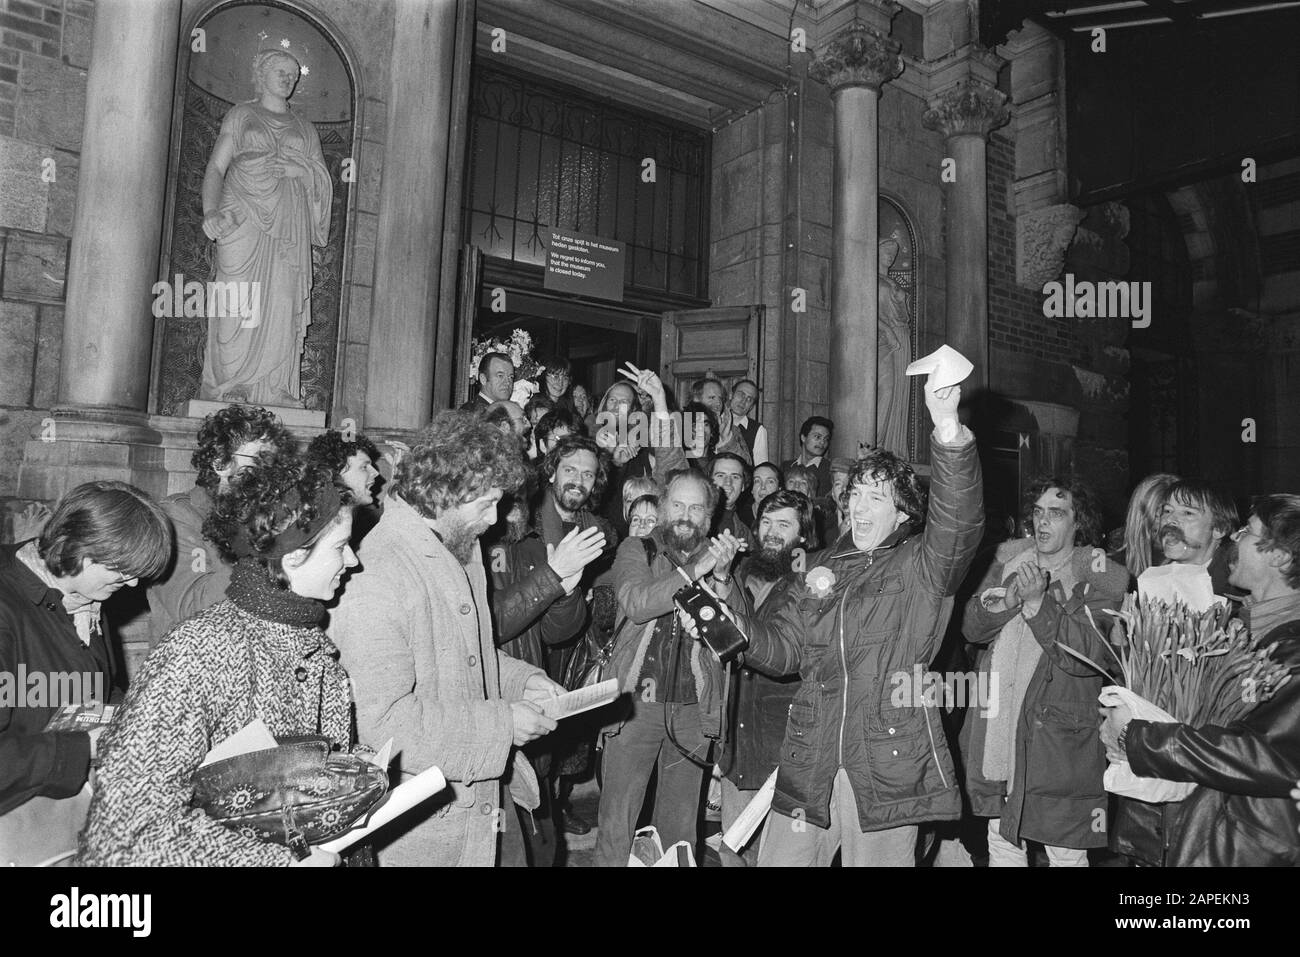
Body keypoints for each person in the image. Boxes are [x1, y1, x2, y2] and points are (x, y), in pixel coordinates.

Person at [730, 372, 984, 867]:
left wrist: (948, 426)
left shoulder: (921, 564)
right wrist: (737, 629)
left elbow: (959, 523)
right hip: (812, 751)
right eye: (856, 495)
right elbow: (785, 648)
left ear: (904, 512)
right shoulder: (822, 567)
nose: (860, 507)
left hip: (886, 754)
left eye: (876, 497)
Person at [77, 460, 356, 866]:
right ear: (293, 556)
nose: (352, 561)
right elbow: (126, 834)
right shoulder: (200, 650)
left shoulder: (315, 649)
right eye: (339, 546)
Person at [330, 411, 564, 866]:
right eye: (485, 505)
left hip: (481, 801)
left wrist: (521, 683)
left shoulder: (457, 545)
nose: (494, 520)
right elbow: (383, 726)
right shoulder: (378, 570)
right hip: (423, 828)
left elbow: (464, 655)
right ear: (446, 492)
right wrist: (502, 725)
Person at [1101, 494, 1300, 866]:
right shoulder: (1246, 632)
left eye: (1247, 531)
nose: (1236, 540)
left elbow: (1263, 754)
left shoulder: (1292, 649)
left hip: (1246, 848)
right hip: (1197, 836)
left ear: (1280, 556)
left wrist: (1138, 737)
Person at [0, 482, 172, 865]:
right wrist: (85, 747)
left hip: (65, 816)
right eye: (123, 570)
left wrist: (132, 716)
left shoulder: (83, 596)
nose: (131, 584)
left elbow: (96, 685)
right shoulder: (7, 610)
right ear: (78, 548)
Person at [961, 478, 1127, 867]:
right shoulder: (1006, 565)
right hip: (998, 737)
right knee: (1002, 846)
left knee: (1066, 853)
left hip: (1060, 746)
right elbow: (971, 628)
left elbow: (1086, 656)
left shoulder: (1099, 580)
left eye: (1057, 513)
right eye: (1037, 512)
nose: (1043, 522)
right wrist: (1008, 602)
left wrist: (1038, 605)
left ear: (1078, 524)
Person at [594, 469, 746, 866]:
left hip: (693, 712)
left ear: (709, 519)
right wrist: (697, 571)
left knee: (679, 831)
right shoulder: (637, 548)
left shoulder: (718, 560)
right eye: (677, 504)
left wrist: (725, 576)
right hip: (634, 707)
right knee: (616, 825)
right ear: (663, 509)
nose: (685, 514)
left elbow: (740, 640)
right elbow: (639, 602)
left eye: (696, 508)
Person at [198, 50, 332, 407]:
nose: (288, 78)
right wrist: (211, 210)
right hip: (242, 216)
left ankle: (275, 387)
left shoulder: (305, 129)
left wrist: (300, 172)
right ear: (261, 73)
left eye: (293, 74)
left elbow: (321, 182)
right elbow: (215, 168)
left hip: (288, 227)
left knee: (282, 301)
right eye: (280, 71)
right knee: (238, 300)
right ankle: (231, 384)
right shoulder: (242, 115)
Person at [484, 482, 605, 862]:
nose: (508, 510)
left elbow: (559, 631)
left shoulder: (532, 548)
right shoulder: (477, 554)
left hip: (530, 694)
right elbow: (491, 624)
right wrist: (551, 578)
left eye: (514, 501)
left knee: (541, 834)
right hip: (493, 706)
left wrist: (567, 593)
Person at [718, 490, 816, 866]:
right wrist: (724, 578)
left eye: (784, 525)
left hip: (784, 745)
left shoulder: (813, 581)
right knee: (732, 849)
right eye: (766, 523)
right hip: (739, 741)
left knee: (782, 855)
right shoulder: (743, 571)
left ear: (803, 535)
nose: (772, 533)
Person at [146, 404, 294, 647]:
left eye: (274, 463)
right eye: (260, 460)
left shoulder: (266, 515)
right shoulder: (177, 517)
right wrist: (254, 538)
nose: (269, 473)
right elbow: (195, 607)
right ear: (221, 464)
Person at [1109, 472, 1180, 581]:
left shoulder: (1197, 565)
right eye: (1165, 512)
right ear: (1144, 517)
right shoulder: (1111, 569)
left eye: (1187, 513)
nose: (1173, 522)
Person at [708, 452, 755, 548]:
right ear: (708, 481)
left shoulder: (745, 534)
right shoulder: (691, 519)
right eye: (720, 475)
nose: (728, 482)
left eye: (735, 477)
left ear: (743, 486)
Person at [782, 416, 833, 497]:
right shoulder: (786, 467)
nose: (822, 442)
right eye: (818, 437)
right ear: (803, 437)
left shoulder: (830, 469)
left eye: (826, 439)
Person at [726, 377, 769, 466]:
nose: (743, 401)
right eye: (741, 395)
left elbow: (761, 467)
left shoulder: (758, 430)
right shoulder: (714, 420)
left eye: (749, 399)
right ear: (731, 395)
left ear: (751, 407)